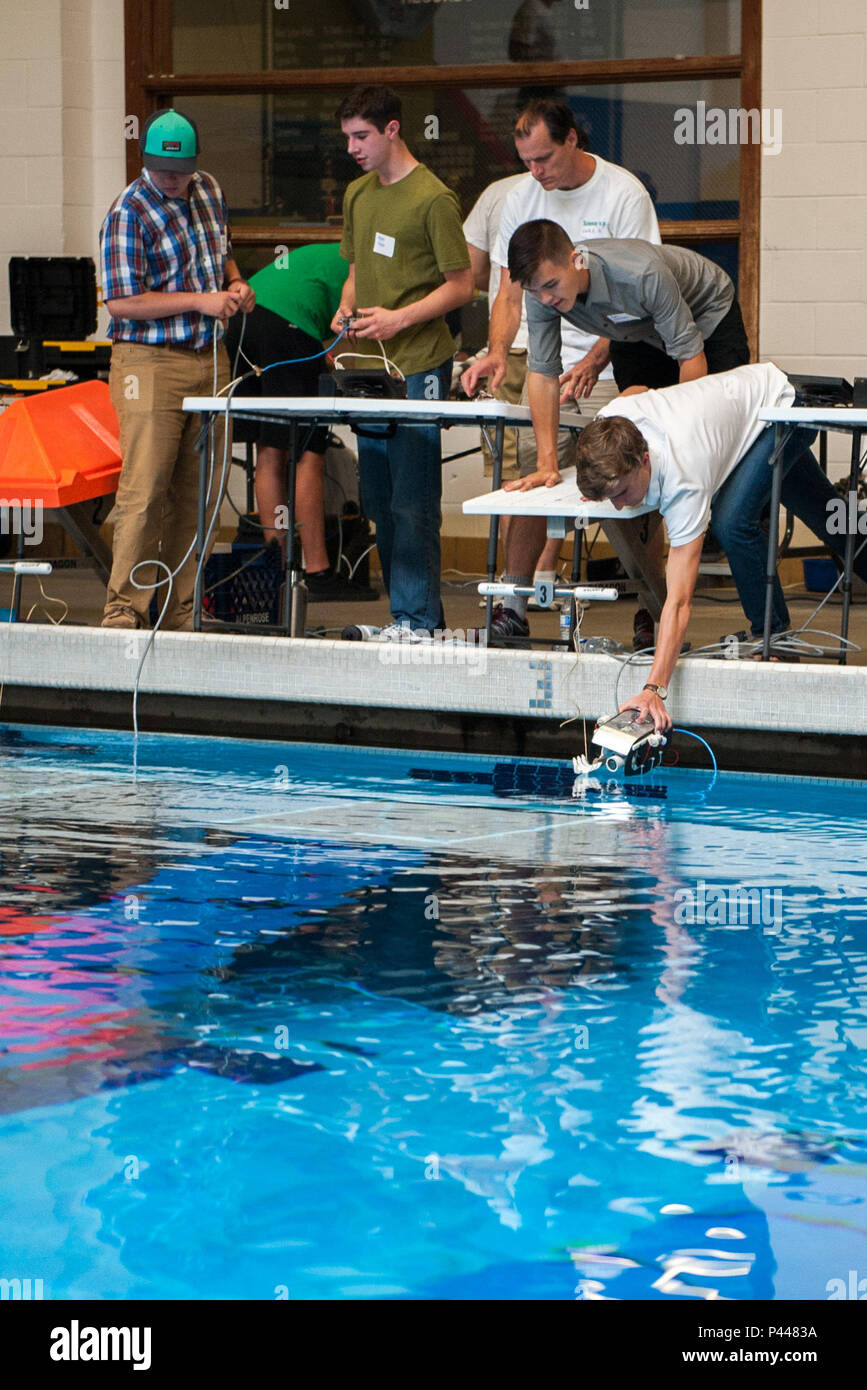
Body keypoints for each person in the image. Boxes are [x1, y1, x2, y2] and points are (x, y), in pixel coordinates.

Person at [540, 362, 867, 729]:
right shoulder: (611, 423)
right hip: (741, 414)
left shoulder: (685, 475)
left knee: (732, 521)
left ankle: (772, 638)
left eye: (622, 493)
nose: (618, 506)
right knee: (832, 520)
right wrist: (603, 489)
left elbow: (679, 601)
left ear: (644, 458)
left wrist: (654, 687)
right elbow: (637, 391)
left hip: (782, 404)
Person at [460, 97, 660, 645]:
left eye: (544, 158)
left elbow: (641, 287)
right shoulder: (519, 198)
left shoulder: (623, 193)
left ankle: (651, 607)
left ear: (573, 140)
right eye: (526, 160)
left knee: (638, 484)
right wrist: (498, 350)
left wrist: (599, 357)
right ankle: (513, 605)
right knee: (533, 480)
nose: (536, 172)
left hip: (612, 358)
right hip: (541, 359)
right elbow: (506, 290)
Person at [99, 108, 255, 630]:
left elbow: (222, 251)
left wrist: (234, 284)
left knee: (201, 494)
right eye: (165, 172)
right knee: (145, 490)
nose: (175, 181)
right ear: (145, 162)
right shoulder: (128, 212)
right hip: (150, 361)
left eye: (182, 171)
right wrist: (200, 301)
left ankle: (179, 610)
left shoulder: (207, 188)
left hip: (209, 357)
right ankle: (124, 609)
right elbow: (121, 302)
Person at [331, 85, 473, 642]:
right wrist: (348, 304)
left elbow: (461, 287)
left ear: (393, 130)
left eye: (361, 136)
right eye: (346, 137)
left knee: (414, 501)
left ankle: (419, 619)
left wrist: (398, 319)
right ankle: (407, 619)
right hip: (370, 369)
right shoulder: (357, 195)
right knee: (380, 502)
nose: (352, 148)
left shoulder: (433, 199)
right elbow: (354, 269)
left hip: (420, 365)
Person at [506, 220, 750, 492]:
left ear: (576, 261)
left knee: (715, 432)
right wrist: (546, 465)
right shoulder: (541, 294)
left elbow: (689, 355)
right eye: (534, 290)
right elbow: (542, 374)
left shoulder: (641, 274)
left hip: (708, 312)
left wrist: (685, 449)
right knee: (636, 440)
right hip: (637, 329)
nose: (546, 299)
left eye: (552, 285)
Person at [223, 242, 356, 598]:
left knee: (270, 451)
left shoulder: (331, 253)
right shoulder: (372, 264)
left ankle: (279, 570)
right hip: (288, 325)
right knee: (307, 454)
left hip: (243, 322)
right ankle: (317, 571)